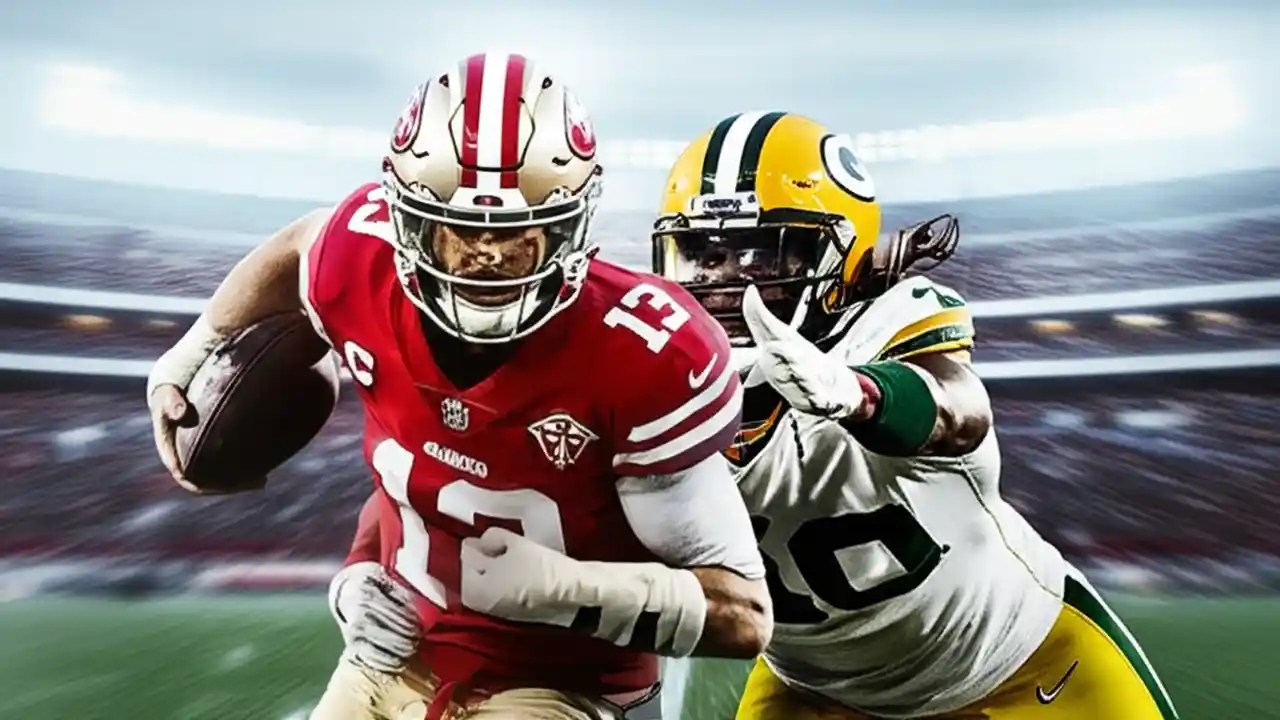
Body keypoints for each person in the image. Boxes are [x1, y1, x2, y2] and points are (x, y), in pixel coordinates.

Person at [146, 53, 771, 720]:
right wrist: (196, 348)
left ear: (570, 228)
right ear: (407, 221)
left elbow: (744, 617)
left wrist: (565, 591)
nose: (489, 259)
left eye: (518, 236)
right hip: (391, 662)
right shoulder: (357, 262)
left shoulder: (644, 354)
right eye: (461, 232)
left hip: (569, 687)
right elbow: (304, 244)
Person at [657, 110, 1179, 720]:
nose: (724, 283)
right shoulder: (652, 379)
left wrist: (856, 393)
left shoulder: (886, 329)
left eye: (761, 256)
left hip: (1020, 662)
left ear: (839, 254)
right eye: (703, 254)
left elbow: (959, 409)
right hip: (820, 694)